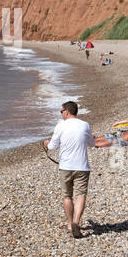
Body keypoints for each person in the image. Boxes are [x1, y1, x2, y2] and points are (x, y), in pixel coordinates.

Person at [43, 101, 109, 238]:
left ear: (66, 112)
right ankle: (76, 222)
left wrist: (46, 143)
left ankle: (69, 224)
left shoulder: (61, 125)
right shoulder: (85, 125)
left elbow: (52, 147)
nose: (61, 114)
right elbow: (91, 143)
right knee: (81, 195)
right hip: (82, 166)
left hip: (66, 167)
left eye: (61, 111)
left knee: (67, 196)